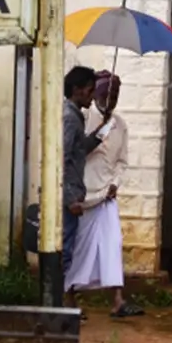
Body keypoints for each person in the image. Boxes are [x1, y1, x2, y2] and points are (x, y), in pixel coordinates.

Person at [65, 71, 146, 319]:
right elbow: (75, 154)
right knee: (77, 249)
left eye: (115, 95)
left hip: (106, 195)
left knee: (113, 244)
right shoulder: (82, 118)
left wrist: (116, 183)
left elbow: (122, 161)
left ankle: (118, 301)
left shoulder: (120, 125)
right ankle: (68, 298)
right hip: (83, 195)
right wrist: (100, 131)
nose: (109, 100)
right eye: (104, 94)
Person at [62, 66, 107, 280]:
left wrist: (101, 131)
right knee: (64, 250)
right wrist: (70, 198)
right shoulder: (69, 118)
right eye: (90, 90)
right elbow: (61, 157)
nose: (93, 96)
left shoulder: (74, 115)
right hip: (67, 197)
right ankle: (58, 303)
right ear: (77, 90)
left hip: (70, 193)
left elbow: (79, 150)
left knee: (68, 248)